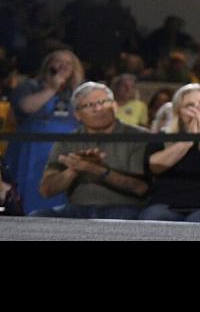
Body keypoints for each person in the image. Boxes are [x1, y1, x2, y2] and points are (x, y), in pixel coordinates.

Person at [32, 81, 151, 219]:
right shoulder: (66, 141)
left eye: (103, 102)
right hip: (77, 209)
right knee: (38, 216)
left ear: (115, 105)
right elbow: (46, 190)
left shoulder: (140, 137)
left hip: (124, 208)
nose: (98, 108)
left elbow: (141, 188)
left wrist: (95, 169)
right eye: (89, 105)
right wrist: (74, 169)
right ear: (77, 114)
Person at [3, 50, 84, 215]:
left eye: (68, 63)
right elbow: (26, 107)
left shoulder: (80, 91)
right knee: (29, 191)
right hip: (32, 149)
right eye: (58, 61)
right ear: (48, 64)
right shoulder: (30, 85)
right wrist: (53, 87)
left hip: (67, 149)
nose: (63, 65)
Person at [140, 84, 200, 223]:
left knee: (197, 221)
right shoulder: (165, 136)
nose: (197, 108)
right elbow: (154, 166)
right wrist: (188, 140)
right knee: (153, 217)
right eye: (190, 105)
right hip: (167, 202)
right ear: (179, 112)